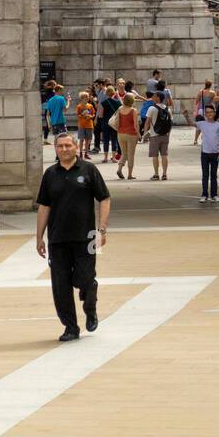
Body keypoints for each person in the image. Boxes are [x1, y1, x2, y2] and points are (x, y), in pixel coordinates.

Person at [36, 130, 111, 341]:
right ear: (55, 149)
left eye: (68, 146)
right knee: (60, 286)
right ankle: (70, 327)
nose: (64, 149)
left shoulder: (88, 170)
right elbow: (44, 206)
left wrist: (102, 229)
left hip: (86, 237)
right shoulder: (50, 174)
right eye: (60, 146)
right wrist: (39, 236)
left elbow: (104, 199)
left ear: (76, 147)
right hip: (58, 239)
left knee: (86, 279)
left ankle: (90, 306)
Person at [196, 102, 219, 202]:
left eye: (211, 112)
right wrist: (186, 116)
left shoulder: (218, 125)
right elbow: (193, 124)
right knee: (205, 174)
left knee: (213, 174)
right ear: (205, 114)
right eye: (207, 112)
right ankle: (204, 194)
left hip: (215, 153)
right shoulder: (202, 124)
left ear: (214, 113)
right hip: (205, 153)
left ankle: (214, 195)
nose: (209, 114)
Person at [109, 93, 139, 180]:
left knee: (124, 153)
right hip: (131, 134)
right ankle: (130, 174)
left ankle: (119, 169)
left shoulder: (120, 109)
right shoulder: (133, 110)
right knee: (131, 155)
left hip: (120, 134)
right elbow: (136, 124)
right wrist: (138, 135)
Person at [145, 88, 172, 180]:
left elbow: (147, 122)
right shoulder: (168, 109)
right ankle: (164, 174)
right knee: (164, 155)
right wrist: (168, 134)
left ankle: (156, 174)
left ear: (158, 98)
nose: (152, 97)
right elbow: (170, 123)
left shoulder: (152, 108)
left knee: (155, 156)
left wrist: (145, 133)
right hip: (165, 135)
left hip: (154, 135)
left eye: (154, 96)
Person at [99, 84, 121, 162]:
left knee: (106, 140)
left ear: (106, 93)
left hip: (106, 123)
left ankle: (105, 157)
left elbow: (100, 115)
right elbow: (120, 111)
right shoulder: (117, 102)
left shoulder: (103, 103)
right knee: (114, 140)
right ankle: (114, 157)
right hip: (114, 124)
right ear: (114, 93)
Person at [75, 91, 95, 160]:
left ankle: (86, 153)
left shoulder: (90, 106)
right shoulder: (79, 106)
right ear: (82, 98)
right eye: (86, 97)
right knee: (81, 139)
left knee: (88, 140)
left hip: (89, 125)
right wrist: (82, 115)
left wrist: (90, 116)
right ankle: (80, 153)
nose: (87, 98)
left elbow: (93, 114)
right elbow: (77, 115)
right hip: (82, 125)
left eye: (88, 97)